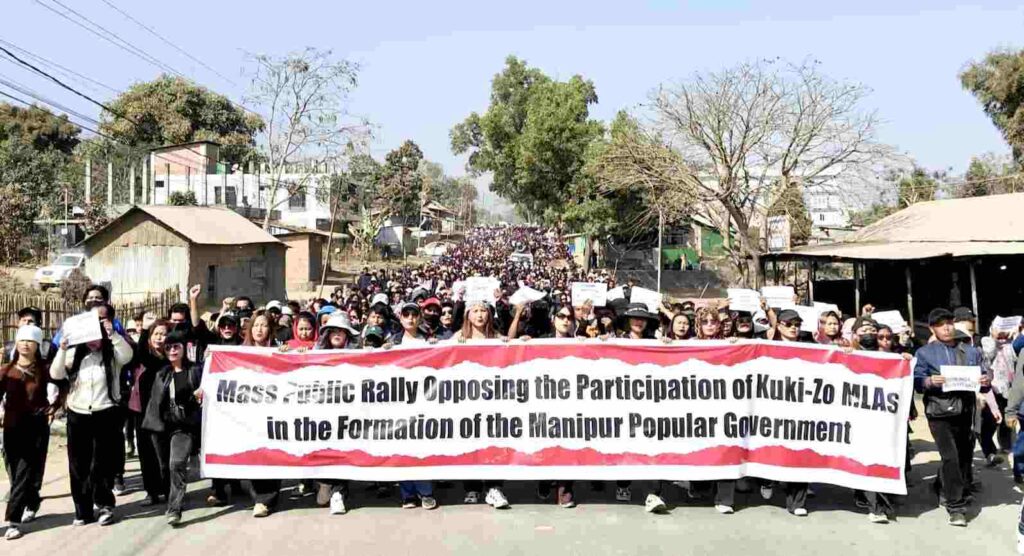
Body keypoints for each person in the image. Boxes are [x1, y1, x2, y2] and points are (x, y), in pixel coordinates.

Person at [49, 304, 134, 526]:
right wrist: (62, 349)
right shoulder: (75, 354)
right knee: (78, 466)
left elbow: (127, 355)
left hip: (105, 413)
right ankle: (83, 510)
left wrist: (113, 335)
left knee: (101, 464)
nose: (93, 340)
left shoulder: (112, 354)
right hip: (78, 415)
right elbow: (56, 373)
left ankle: (105, 505)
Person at [914, 307, 989, 527]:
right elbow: (917, 380)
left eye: (948, 323)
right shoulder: (925, 353)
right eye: (940, 325)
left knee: (964, 456)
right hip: (939, 412)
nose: (946, 328)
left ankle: (942, 486)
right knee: (950, 457)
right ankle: (956, 507)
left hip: (965, 411)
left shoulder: (970, 351)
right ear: (932, 329)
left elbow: (985, 375)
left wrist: (985, 381)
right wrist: (929, 381)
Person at [141, 330, 203, 527]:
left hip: (183, 427)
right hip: (161, 427)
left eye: (176, 347)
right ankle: (174, 497)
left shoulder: (196, 371)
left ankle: (174, 509)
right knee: (165, 467)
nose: (172, 351)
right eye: (168, 348)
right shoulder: (162, 373)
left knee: (176, 463)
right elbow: (155, 403)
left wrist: (198, 396)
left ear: (184, 348)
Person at [453, 300, 510, 509]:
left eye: (483, 311)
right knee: (470, 443)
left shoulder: (497, 338)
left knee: (494, 444)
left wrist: (515, 342)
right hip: (467, 401)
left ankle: (494, 487)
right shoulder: (458, 337)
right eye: (475, 311)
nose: (479, 315)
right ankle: (472, 487)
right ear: (468, 315)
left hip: (493, 401)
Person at [1, 325, 55, 540]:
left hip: (36, 427)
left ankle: (13, 521)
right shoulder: (6, 371)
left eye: (30, 341)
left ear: (37, 345)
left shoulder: (45, 369)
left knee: (24, 472)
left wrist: (55, 406)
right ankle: (32, 500)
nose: (25, 344)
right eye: (22, 340)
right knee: (16, 473)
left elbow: (62, 383)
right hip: (11, 427)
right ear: (16, 343)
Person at [615, 303, 666, 512]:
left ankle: (653, 494)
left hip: (650, 404)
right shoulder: (616, 342)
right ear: (628, 321)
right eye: (634, 317)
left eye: (642, 318)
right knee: (625, 446)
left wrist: (669, 346)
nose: (638, 321)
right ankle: (623, 484)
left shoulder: (656, 343)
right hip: (622, 403)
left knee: (652, 447)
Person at [767, 309, 811, 517]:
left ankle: (797, 502)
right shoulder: (766, 347)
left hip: (801, 409)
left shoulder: (810, 347)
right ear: (779, 326)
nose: (794, 328)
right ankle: (767, 480)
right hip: (773, 409)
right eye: (789, 324)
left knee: (800, 453)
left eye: (797, 324)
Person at [126, 319, 171, 507]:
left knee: (166, 455)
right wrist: (144, 329)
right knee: (146, 454)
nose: (160, 338)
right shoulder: (142, 356)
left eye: (164, 334)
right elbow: (141, 353)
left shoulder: (172, 356)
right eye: (156, 334)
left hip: (167, 412)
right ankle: (151, 492)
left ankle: (169, 492)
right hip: (143, 412)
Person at [241, 311, 282, 517]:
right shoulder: (239, 354)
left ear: (270, 330)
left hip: (274, 412)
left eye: (264, 325)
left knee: (271, 454)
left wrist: (294, 354)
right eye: (256, 325)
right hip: (249, 414)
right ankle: (259, 496)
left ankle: (266, 500)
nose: (259, 329)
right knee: (254, 455)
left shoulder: (279, 351)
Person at [980, 318, 1016, 466]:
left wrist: (1015, 334)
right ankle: (990, 453)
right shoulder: (986, 341)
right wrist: (995, 338)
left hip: (1009, 388)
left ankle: (1006, 447)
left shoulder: (1011, 344)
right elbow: (987, 356)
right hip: (992, 389)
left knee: (1007, 421)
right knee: (989, 423)